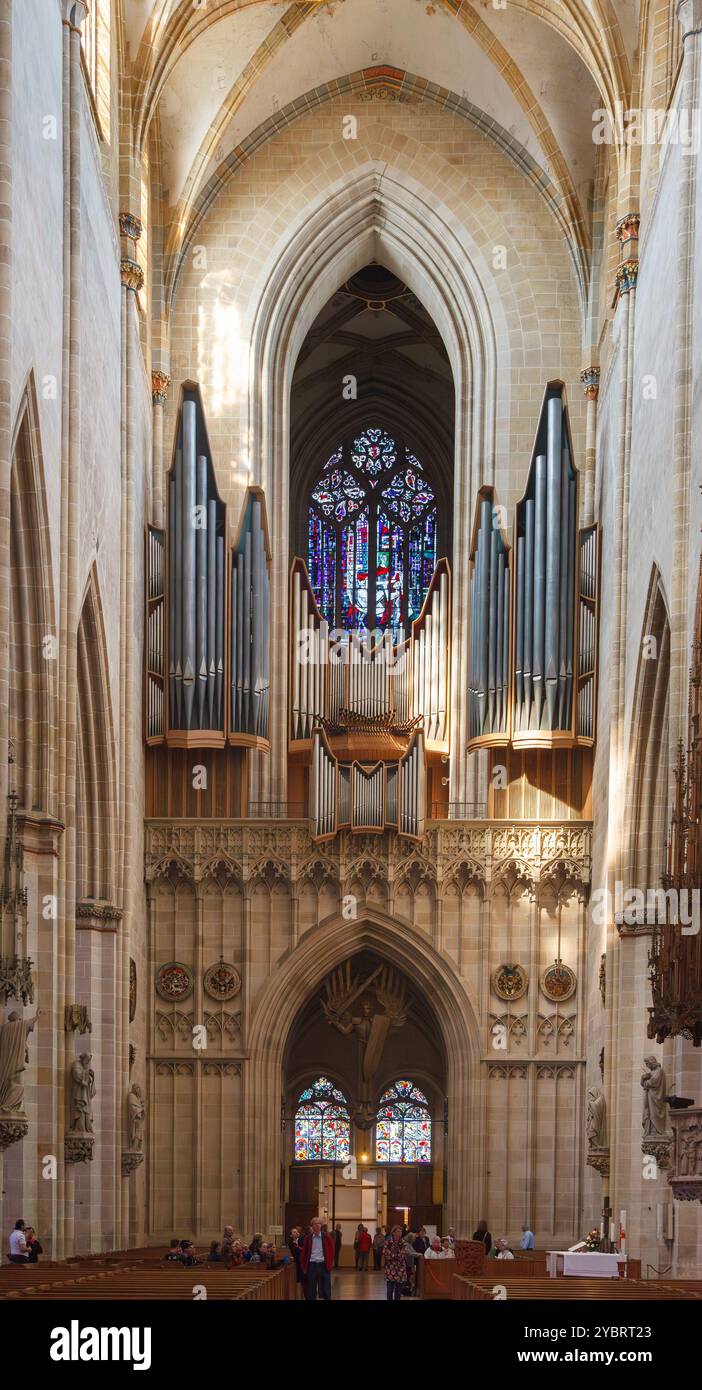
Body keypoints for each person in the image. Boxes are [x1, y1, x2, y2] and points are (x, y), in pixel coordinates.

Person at [300, 1216, 334, 1301]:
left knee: (326, 1288)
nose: (317, 1225)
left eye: (319, 1223)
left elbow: (332, 1250)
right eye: (315, 1224)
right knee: (311, 1289)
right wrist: (304, 1266)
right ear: (312, 1226)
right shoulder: (308, 1238)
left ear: (321, 1225)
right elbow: (304, 1252)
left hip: (323, 1265)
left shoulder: (326, 1236)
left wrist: (329, 1263)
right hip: (312, 1265)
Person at [381, 1224, 406, 1300]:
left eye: (401, 1232)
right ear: (393, 1232)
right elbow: (385, 1253)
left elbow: (402, 1255)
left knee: (398, 1291)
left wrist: (393, 1256)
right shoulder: (388, 1242)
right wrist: (395, 1256)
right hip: (390, 1269)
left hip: (400, 1270)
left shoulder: (403, 1243)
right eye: (398, 1231)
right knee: (389, 1290)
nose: (400, 1233)